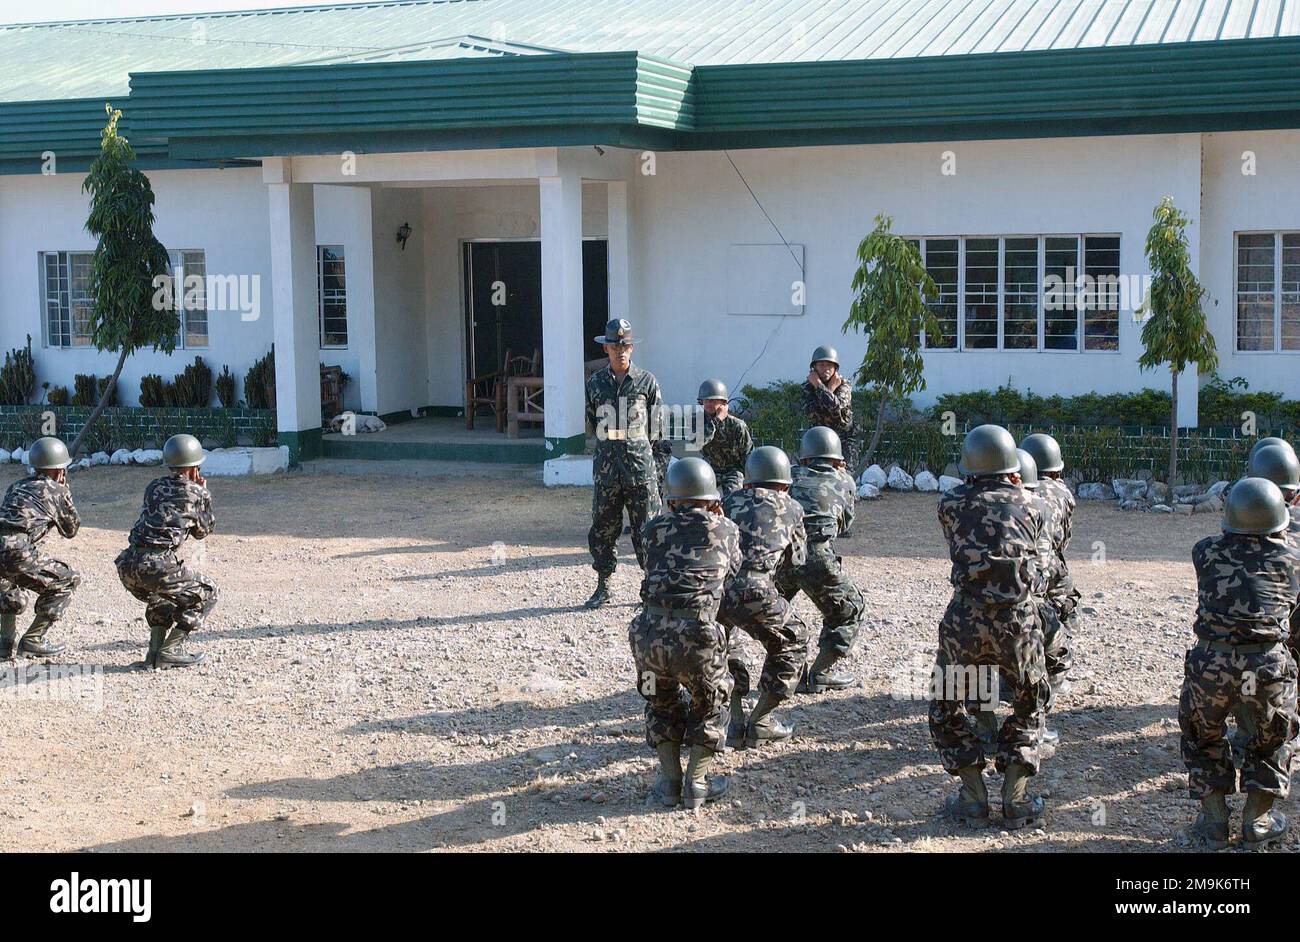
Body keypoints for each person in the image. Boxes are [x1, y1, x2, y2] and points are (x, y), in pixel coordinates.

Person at [931, 424, 1049, 830]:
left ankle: (972, 796)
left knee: (947, 703)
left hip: (965, 620)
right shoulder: (1034, 504)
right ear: (1012, 467)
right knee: (1029, 702)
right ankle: (1016, 799)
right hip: (1018, 621)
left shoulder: (950, 504)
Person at [1179, 477, 1300, 848]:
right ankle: (1257, 822)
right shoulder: (1293, 557)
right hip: (1267, 666)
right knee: (1271, 741)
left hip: (1210, 664)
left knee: (1203, 738)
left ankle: (1214, 823)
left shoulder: (1204, 551)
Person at [629, 457, 740, 809]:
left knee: (659, 700)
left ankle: (668, 783)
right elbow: (731, 575)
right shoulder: (727, 530)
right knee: (710, 703)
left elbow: (652, 565)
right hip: (697, 637)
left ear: (671, 500)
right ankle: (697, 783)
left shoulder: (651, 529)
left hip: (647, 636)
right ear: (713, 500)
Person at [719, 445, 809, 748]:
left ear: (747, 481)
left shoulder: (727, 500)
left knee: (724, 644)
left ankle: (733, 720)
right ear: (784, 484)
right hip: (758, 587)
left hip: (718, 589)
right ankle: (762, 720)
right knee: (793, 640)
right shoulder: (793, 508)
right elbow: (797, 561)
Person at [584, 318, 668, 609]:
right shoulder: (595, 383)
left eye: (625, 345)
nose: (620, 350)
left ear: (632, 348)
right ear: (606, 348)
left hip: (640, 471)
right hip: (607, 471)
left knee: (648, 530)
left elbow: (656, 430)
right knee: (603, 529)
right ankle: (603, 585)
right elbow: (594, 422)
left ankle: (651, 587)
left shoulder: (646, 382)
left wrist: (649, 464)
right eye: (615, 346)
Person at [115, 434, 216, 669]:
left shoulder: (154, 486)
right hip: (157, 563)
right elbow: (202, 531)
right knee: (208, 592)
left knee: (163, 595)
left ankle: (154, 653)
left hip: (129, 563)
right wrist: (203, 494)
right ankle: (172, 649)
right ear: (194, 467)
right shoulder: (197, 492)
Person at [776, 426, 863, 694]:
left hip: (782, 554)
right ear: (837, 459)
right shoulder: (844, 480)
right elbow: (845, 523)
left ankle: (785, 673)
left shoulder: (789, 474)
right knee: (848, 610)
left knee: (774, 613)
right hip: (816, 555)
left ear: (804, 457)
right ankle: (820, 673)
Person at [0, 437, 81, 658]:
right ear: (60, 470)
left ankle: (4, 643)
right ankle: (33, 639)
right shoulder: (57, 490)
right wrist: (65, 494)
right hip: (16, 549)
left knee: (8, 584)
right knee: (67, 579)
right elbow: (71, 530)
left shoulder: (17, 486)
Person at [1020, 432, 1078, 737]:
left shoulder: (1011, 488)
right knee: (1066, 605)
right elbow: (1062, 541)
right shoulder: (1062, 492)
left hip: (1012, 578)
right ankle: (1050, 677)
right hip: (1047, 572)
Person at [800, 345, 857, 474]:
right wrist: (827, 388)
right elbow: (812, 411)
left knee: (846, 479)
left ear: (835, 369)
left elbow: (835, 408)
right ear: (814, 368)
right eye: (821, 365)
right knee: (814, 477)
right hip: (818, 442)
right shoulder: (807, 387)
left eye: (829, 365)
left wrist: (820, 387)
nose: (825, 369)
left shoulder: (844, 385)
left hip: (843, 441)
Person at [697, 379, 752, 500]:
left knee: (734, 499)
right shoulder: (698, 422)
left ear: (723, 402)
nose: (708, 403)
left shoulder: (737, 425)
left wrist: (749, 481)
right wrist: (717, 420)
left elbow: (748, 455)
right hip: (710, 469)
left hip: (733, 471)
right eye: (706, 400)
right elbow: (698, 442)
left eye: (713, 400)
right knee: (697, 496)